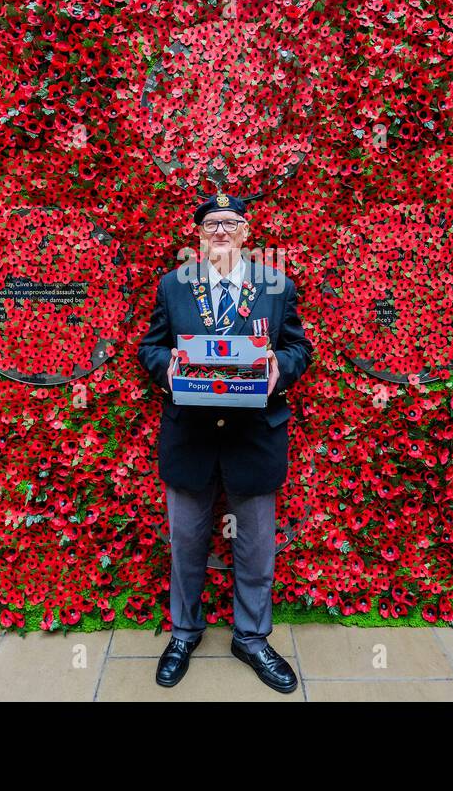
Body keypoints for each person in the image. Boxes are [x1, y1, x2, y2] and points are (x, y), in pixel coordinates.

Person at [137, 192, 314, 693]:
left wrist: (282, 368)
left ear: (245, 233)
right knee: (186, 545)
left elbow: (298, 345)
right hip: (190, 438)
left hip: (253, 439)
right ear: (198, 235)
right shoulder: (174, 286)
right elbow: (150, 346)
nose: (220, 231)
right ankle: (184, 633)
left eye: (230, 223)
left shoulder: (277, 285)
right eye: (211, 223)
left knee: (256, 550)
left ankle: (252, 639)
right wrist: (166, 370)